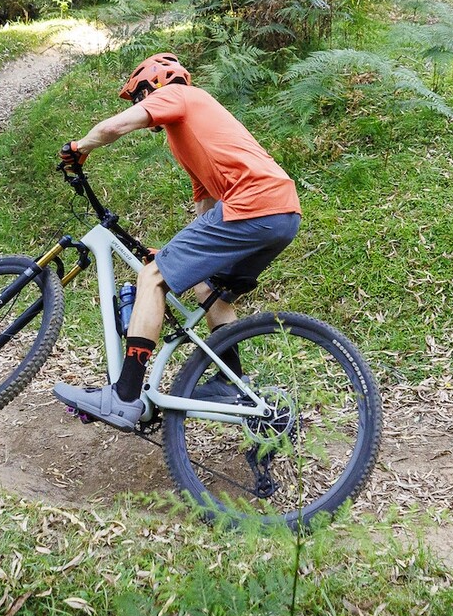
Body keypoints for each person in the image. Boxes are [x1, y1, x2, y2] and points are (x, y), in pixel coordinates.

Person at [51, 52, 302, 430]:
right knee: (207, 287)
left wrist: (79, 146)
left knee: (152, 277)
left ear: (154, 84)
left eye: (139, 96)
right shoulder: (189, 131)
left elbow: (115, 128)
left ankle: (124, 395)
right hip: (281, 213)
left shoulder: (180, 96)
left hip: (251, 205)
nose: (141, 105)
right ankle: (229, 380)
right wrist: (178, 254)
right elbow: (206, 202)